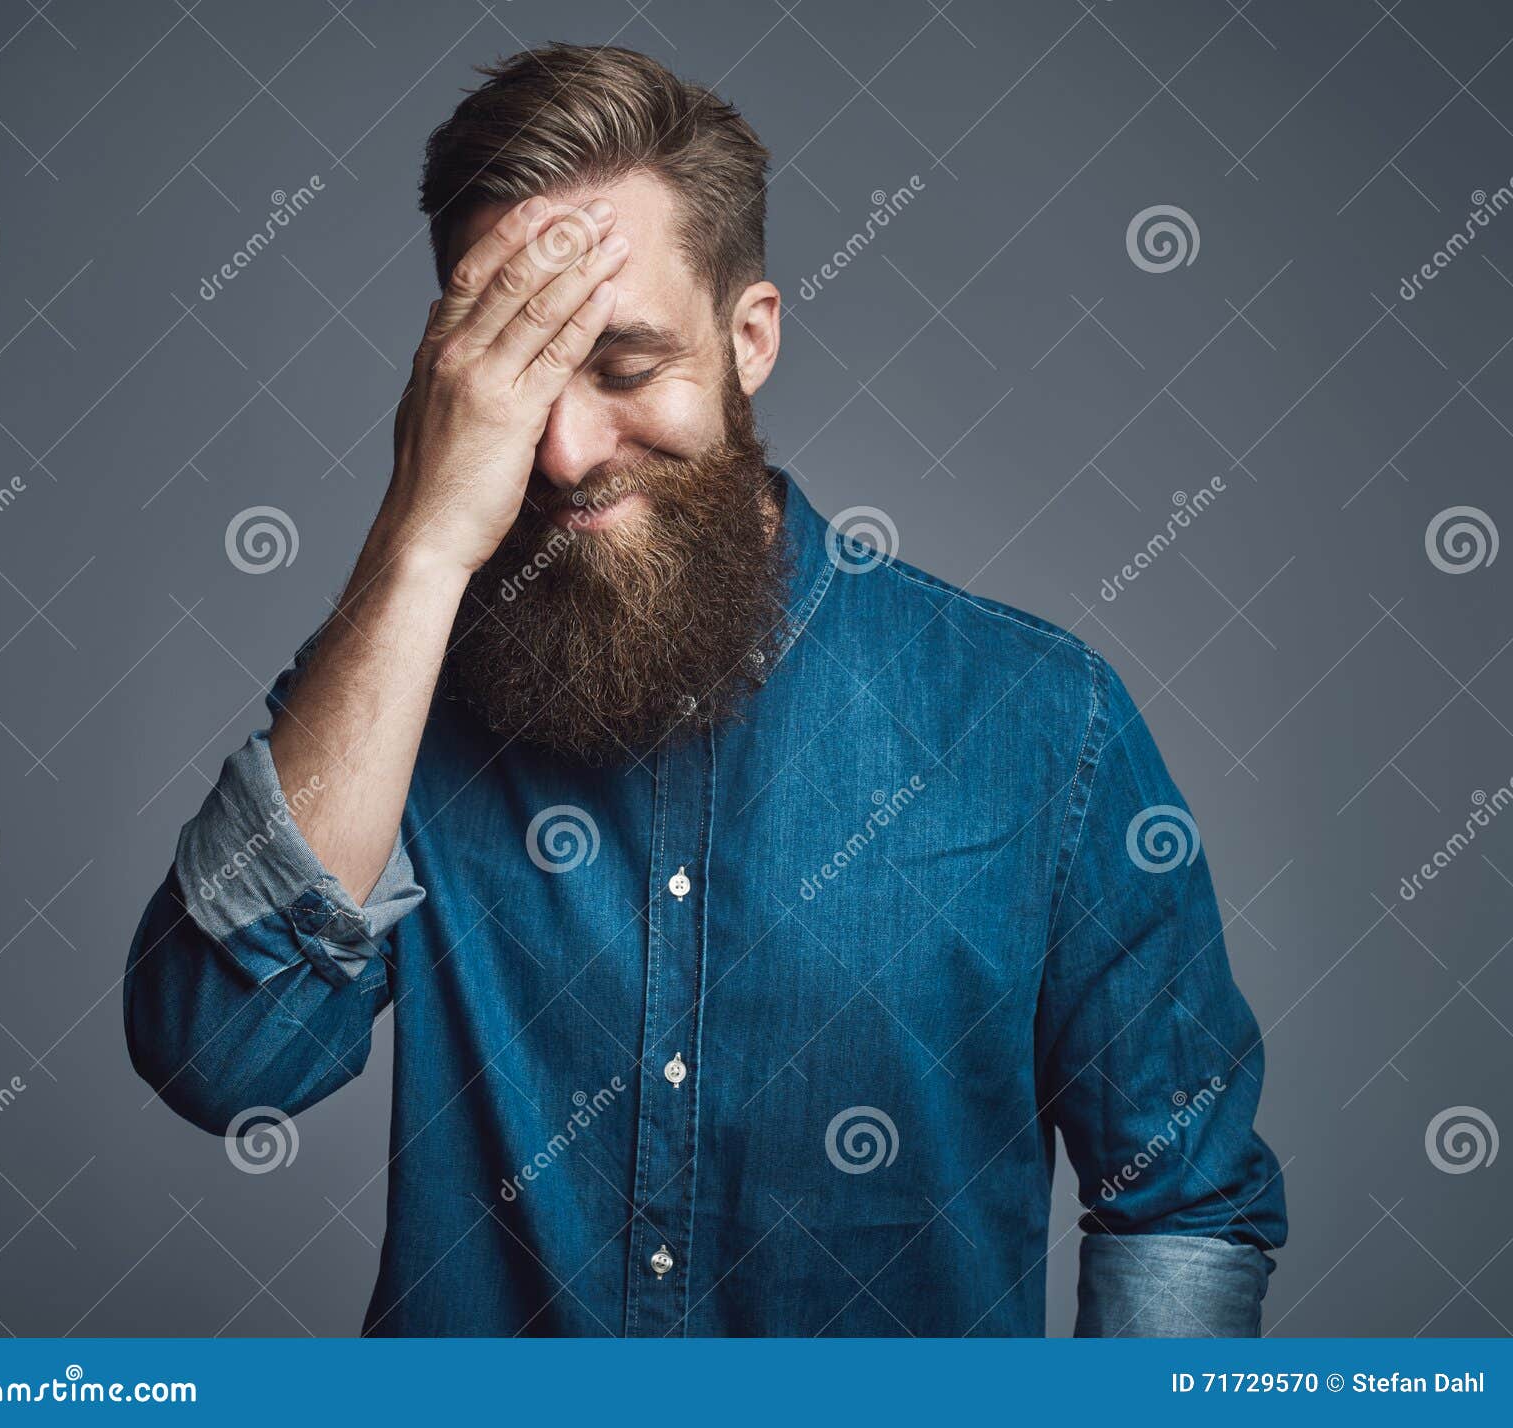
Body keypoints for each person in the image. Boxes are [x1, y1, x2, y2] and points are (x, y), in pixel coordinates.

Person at [124, 42, 1285, 1336]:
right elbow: (222, 1056)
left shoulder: (1040, 723)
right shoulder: (398, 695)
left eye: (622, 368)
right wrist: (417, 545)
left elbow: (1181, 1202)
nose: (563, 450)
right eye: (514, 381)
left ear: (749, 339)